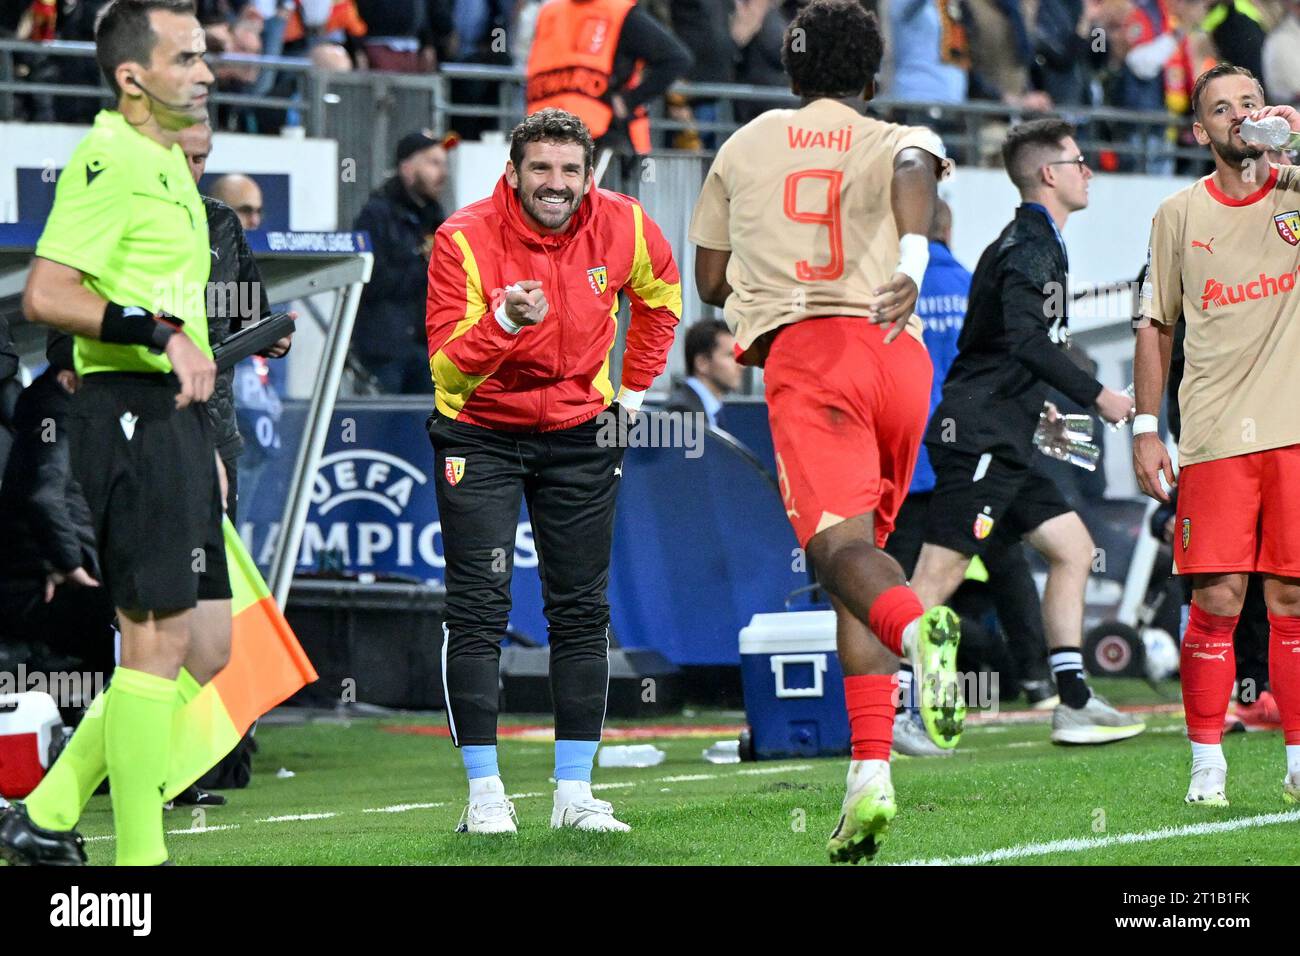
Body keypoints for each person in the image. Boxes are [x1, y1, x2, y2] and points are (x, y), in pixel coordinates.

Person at [690, 0, 965, 864]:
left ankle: (921, 629)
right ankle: (869, 776)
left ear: (790, 71)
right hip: (899, 356)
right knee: (862, 564)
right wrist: (913, 262)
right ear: (873, 77)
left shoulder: (745, 142)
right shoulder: (893, 135)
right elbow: (920, 160)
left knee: (830, 552)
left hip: (813, 356)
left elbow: (706, 279)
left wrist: (762, 282)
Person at [0, 0, 229, 868]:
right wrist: (157, 332)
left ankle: (46, 811)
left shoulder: (167, 161)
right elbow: (46, 292)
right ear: (134, 77)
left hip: (175, 421)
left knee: (206, 647)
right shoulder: (109, 155)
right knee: (154, 645)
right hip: (128, 409)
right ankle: (141, 865)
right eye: (187, 59)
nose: (205, 73)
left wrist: (200, 430)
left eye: (206, 56)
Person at [426, 108, 679, 834]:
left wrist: (630, 397)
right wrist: (504, 324)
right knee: (479, 607)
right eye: (540, 168)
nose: (556, 183)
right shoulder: (463, 237)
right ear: (512, 172)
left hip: (580, 433)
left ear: (589, 175)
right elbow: (444, 365)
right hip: (480, 432)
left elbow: (661, 299)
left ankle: (575, 794)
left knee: (581, 610)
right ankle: (484, 798)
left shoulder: (624, 223)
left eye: (570, 170)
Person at [906, 118, 1146, 750]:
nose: (1088, 171)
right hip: (980, 438)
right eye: (1077, 161)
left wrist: (1034, 412)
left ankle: (1071, 701)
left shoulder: (1033, 242)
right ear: (1049, 174)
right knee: (938, 574)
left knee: (1072, 548)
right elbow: (1024, 338)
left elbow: (987, 347)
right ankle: (902, 713)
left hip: (1002, 432)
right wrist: (1099, 397)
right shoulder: (1030, 244)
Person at [1134, 63, 1300, 807]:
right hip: (1212, 436)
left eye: (1250, 102)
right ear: (1200, 130)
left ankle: (1298, 760)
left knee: (1292, 599)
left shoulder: (1297, 193)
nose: (1240, 115)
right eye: (1222, 109)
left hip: (1294, 432)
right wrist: (1145, 428)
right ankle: (1208, 762)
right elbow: (1155, 324)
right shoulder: (1178, 213)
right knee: (1221, 597)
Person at [178, 122, 291, 525]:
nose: (190, 168)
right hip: (159, 418)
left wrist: (273, 336)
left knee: (221, 556)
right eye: (183, 157)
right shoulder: (132, 223)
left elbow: (245, 316)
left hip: (219, 423)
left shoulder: (222, 225)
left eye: (199, 159)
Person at [0, 333, 115, 682]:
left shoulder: (47, 413)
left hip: (39, 578)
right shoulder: (52, 420)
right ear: (68, 381)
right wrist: (71, 563)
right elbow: (43, 494)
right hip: (40, 587)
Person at [525, 0, 692, 157]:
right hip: (547, 138)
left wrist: (629, 100)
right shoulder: (549, 13)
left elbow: (676, 59)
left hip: (603, 142)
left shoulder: (621, 13)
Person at [352, 129, 451, 394]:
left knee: (428, 428)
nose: (442, 173)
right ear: (407, 168)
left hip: (427, 348)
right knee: (382, 428)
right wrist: (422, 264)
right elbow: (369, 280)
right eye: (433, 163)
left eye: (444, 164)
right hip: (384, 350)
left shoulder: (437, 218)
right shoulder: (376, 215)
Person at [663, 318, 741, 429]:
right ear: (702, 363)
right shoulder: (682, 412)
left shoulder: (711, 411)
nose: (741, 365)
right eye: (730, 355)